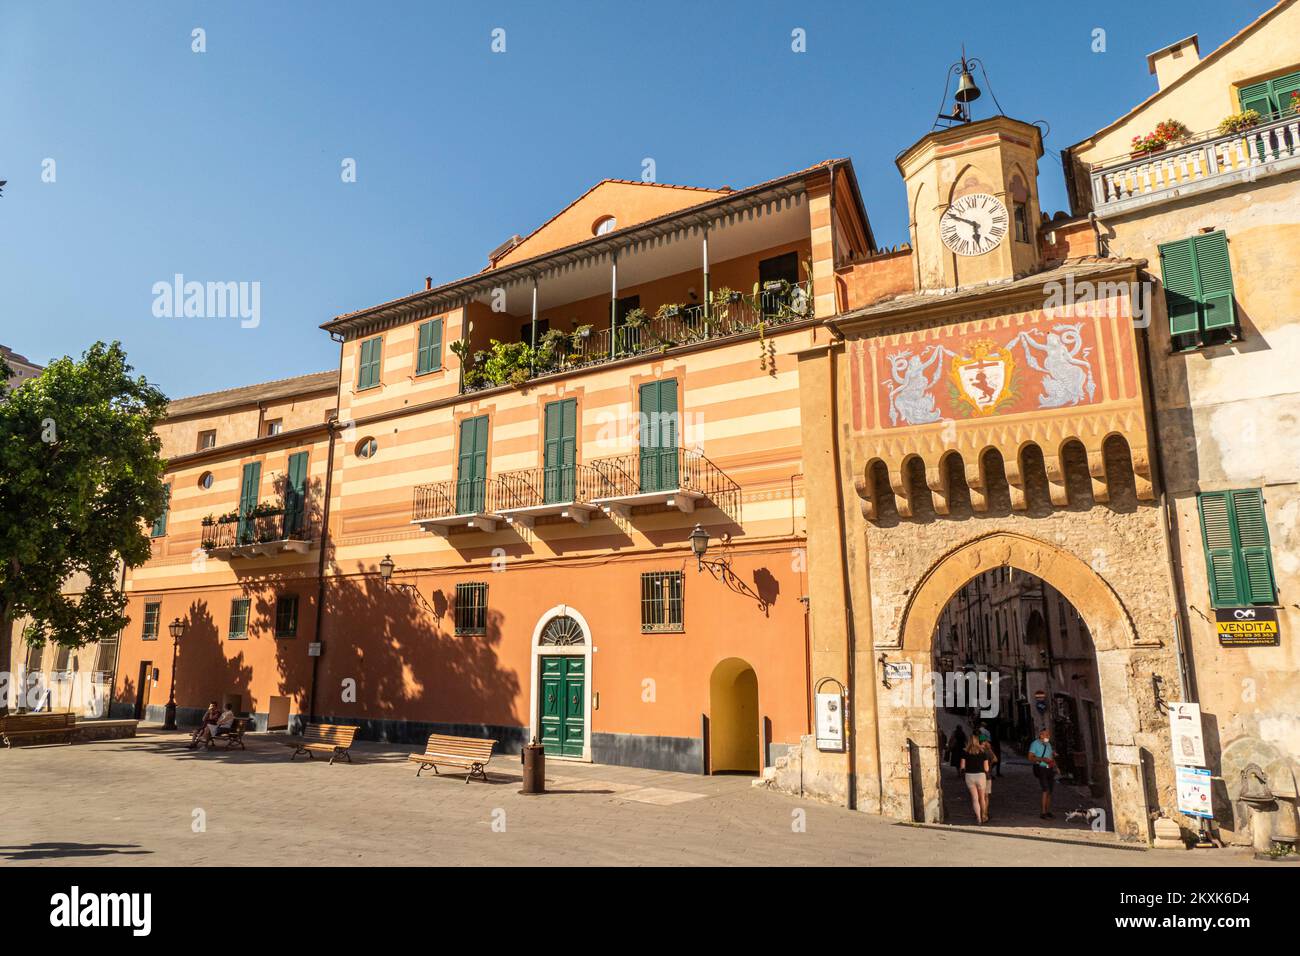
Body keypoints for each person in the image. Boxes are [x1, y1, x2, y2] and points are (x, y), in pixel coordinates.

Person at [960, 735, 990, 823]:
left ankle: (978, 818)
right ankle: (984, 815)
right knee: (982, 798)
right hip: (980, 776)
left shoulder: (965, 752)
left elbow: (962, 766)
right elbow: (986, 768)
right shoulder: (983, 752)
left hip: (969, 776)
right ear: (978, 742)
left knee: (974, 798)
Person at [1029, 727, 1058, 819]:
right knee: (1045, 790)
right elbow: (1030, 757)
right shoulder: (1034, 744)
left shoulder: (1048, 744)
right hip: (1041, 768)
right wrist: (1042, 759)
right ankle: (1043, 812)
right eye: (1046, 735)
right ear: (1041, 735)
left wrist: (1056, 766)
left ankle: (1048, 810)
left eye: (1048, 735)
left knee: (1050, 791)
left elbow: (1051, 756)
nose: (1048, 736)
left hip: (1050, 768)